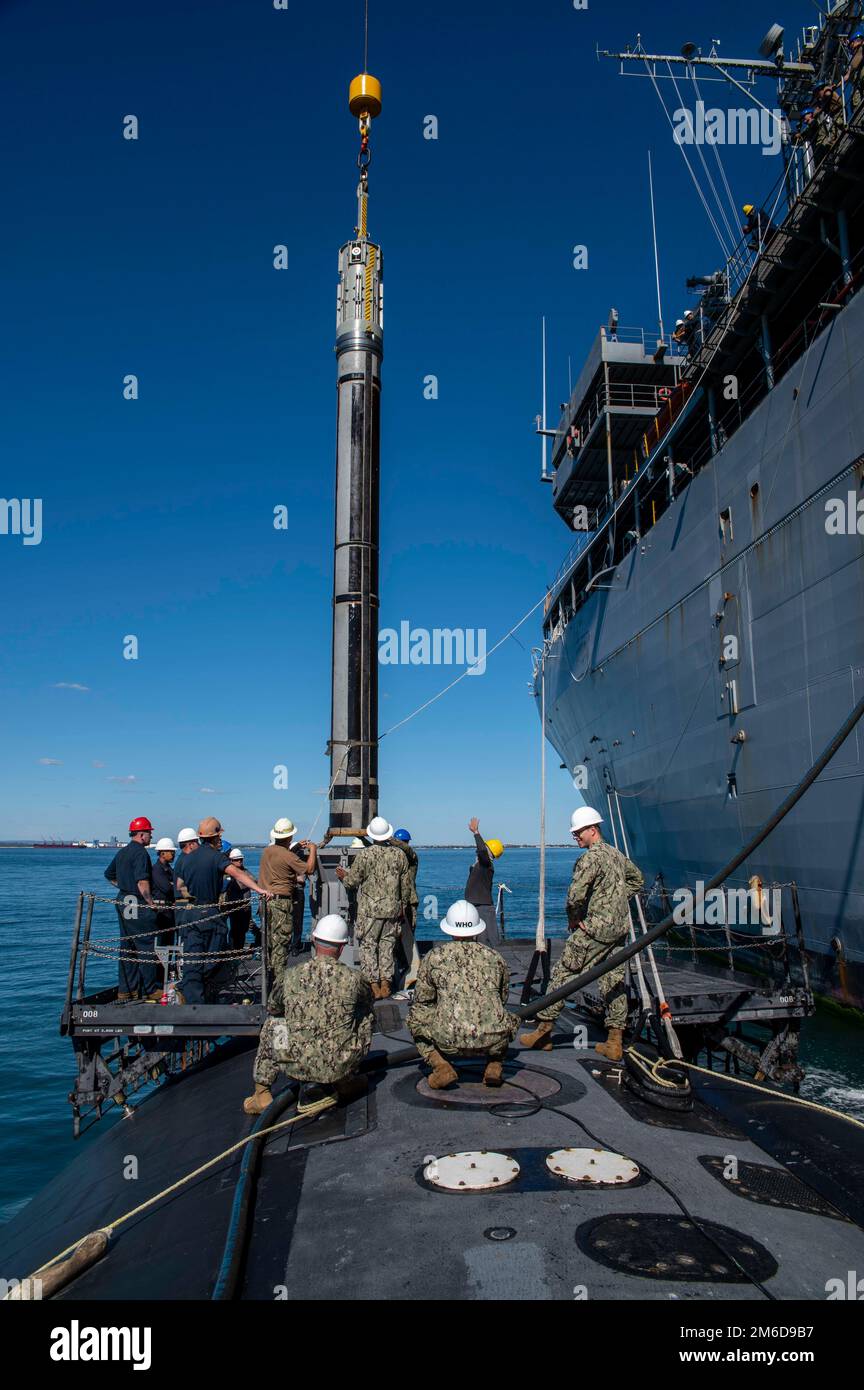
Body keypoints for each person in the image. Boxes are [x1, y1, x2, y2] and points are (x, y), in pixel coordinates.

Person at [520, 807, 643, 1062]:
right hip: (618, 930)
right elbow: (637, 880)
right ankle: (614, 1041)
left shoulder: (590, 858)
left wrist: (576, 919)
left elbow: (574, 896)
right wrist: (616, 903)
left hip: (594, 929)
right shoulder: (616, 855)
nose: (575, 837)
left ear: (592, 830)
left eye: (578, 832)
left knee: (564, 974)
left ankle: (544, 1032)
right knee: (614, 982)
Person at [243, 914, 374, 1115]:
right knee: (365, 1017)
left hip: (294, 1063)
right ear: (341, 947)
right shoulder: (354, 979)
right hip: (339, 1063)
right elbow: (367, 1003)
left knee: (274, 1024)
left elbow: (274, 1008)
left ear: (313, 940)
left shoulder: (289, 976)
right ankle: (345, 1081)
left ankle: (262, 1093)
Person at [407, 900, 518, 1090]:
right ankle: (494, 1064)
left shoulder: (435, 957)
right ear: (476, 929)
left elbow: (423, 1000)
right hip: (492, 1039)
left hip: (447, 1039)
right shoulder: (495, 957)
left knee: (414, 1018)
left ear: (449, 929)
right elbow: (503, 998)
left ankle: (441, 1067)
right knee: (509, 1018)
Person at [175, 817, 269, 1004]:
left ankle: (193, 999)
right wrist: (259, 890)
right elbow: (237, 873)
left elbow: (179, 885)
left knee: (193, 960)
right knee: (215, 957)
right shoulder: (217, 857)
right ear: (215, 837)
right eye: (219, 836)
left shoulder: (186, 858)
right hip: (210, 913)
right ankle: (208, 994)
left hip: (190, 913)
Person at [336, 815, 409, 999]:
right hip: (392, 909)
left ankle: (373, 985)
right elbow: (405, 886)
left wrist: (343, 876)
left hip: (370, 910)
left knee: (368, 946)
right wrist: (403, 906)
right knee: (387, 945)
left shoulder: (365, 855)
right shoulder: (399, 855)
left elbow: (352, 882)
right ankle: (386, 983)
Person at [258, 818, 318, 1005]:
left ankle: (268, 987)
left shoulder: (267, 852)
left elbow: (281, 858)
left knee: (267, 944)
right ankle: (278, 993)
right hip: (281, 904)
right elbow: (308, 868)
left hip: (265, 903)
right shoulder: (288, 855)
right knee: (280, 947)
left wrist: (293, 848)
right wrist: (313, 849)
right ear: (290, 836)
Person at [104, 817, 161, 1001]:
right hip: (136, 902)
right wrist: (150, 903)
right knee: (145, 945)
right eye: (150, 833)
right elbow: (142, 882)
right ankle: (150, 989)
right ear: (142, 834)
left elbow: (109, 875)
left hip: (123, 900)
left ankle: (126, 989)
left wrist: (124, 886)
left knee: (127, 946)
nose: (151, 836)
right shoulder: (141, 854)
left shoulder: (122, 852)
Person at [464, 817, 504, 946]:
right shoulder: (480, 865)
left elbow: (481, 850)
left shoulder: (486, 864)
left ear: (488, 851)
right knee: (477, 941)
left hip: (483, 908)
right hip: (476, 906)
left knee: (486, 941)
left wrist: (476, 832)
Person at [390, 828, 420, 985]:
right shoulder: (394, 857)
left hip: (409, 902)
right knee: (395, 935)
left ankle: (409, 965)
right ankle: (400, 964)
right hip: (397, 900)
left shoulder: (412, 856)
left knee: (408, 934)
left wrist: (388, 838)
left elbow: (406, 849)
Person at [224, 847, 253, 950]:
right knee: (235, 930)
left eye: (241, 859)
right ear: (231, 861)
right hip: (235, 907)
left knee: (244, 929)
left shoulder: (245, 871)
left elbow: (254, 881)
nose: (239, 861)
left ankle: (239, 950)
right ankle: (233, 950)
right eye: (236, 859)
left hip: (246, 906)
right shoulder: (230, 874)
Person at [151, 837, 177, 947]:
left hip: (169, 909)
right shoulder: (157, 869)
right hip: (162, 911)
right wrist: (174, 885)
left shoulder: (168, 869)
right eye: (171, 852)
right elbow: (167, 888)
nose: (173, 854)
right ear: (162, 853)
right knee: (162, 944)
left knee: (169, 943)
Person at [844, 29, 864, 114]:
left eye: (851, 46)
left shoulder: (861, 48)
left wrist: (849, 73)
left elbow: (854, 65)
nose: (851, 50)